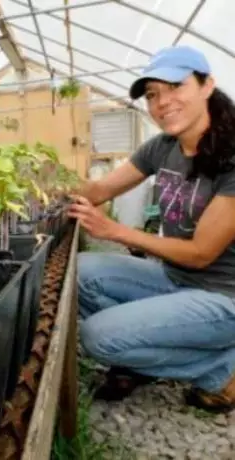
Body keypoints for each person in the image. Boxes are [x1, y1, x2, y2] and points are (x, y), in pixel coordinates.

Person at [68, 45, 235, 414]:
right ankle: (145, 351)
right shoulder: (163, 147)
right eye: (152, 95)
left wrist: (116, 231)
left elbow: (201, 252)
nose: (162, 102)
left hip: (225, 298)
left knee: (98, 336)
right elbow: (100, 190)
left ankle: (222, 369)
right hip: (175, 278)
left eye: (175, 86)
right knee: (79, 272)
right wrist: (44, 182)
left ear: (207, 86)